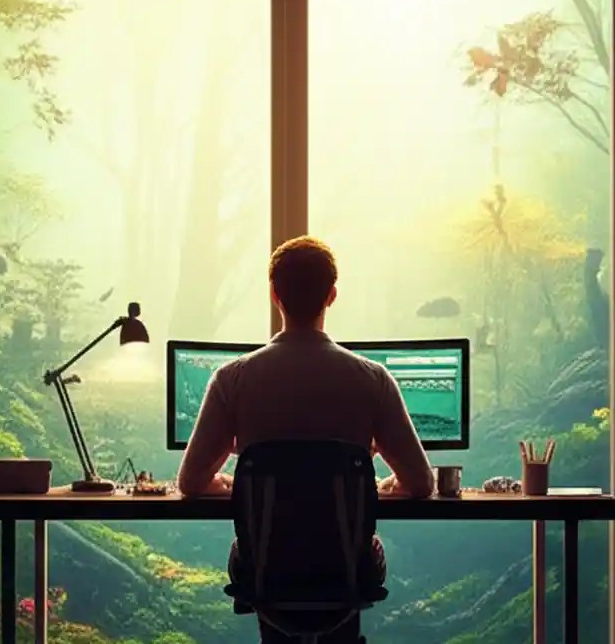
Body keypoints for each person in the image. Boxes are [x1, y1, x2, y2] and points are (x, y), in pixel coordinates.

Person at [176, 236, 435, 637]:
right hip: (345, 574)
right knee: (358, 548)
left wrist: (239, 485)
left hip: (266, 574)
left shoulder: (233, 379)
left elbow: (191, 483)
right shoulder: (373, 380)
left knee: (255, 551)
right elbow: (420, 484)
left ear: (274, 295)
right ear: (332, 295)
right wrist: (369, 487)